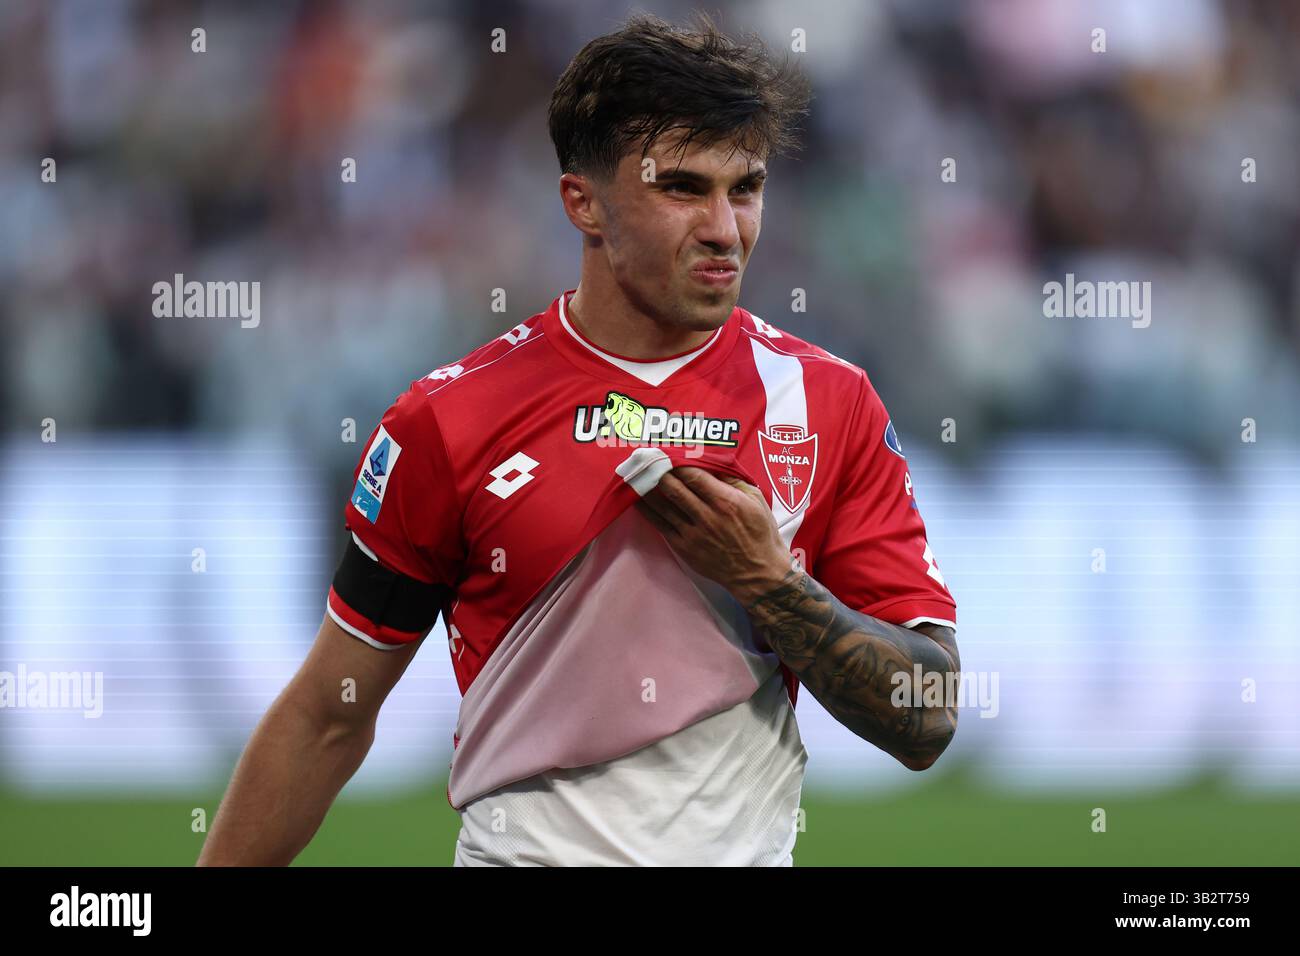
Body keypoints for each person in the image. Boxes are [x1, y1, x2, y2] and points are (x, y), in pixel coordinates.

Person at [198, 12, 958, 868]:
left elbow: (926, 718)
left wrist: (771, 582)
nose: (724, 228)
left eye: (743, 189)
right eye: (681, 187)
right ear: (582, 202)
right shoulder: (449, 422)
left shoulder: (831, 404)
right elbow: (329, 715)